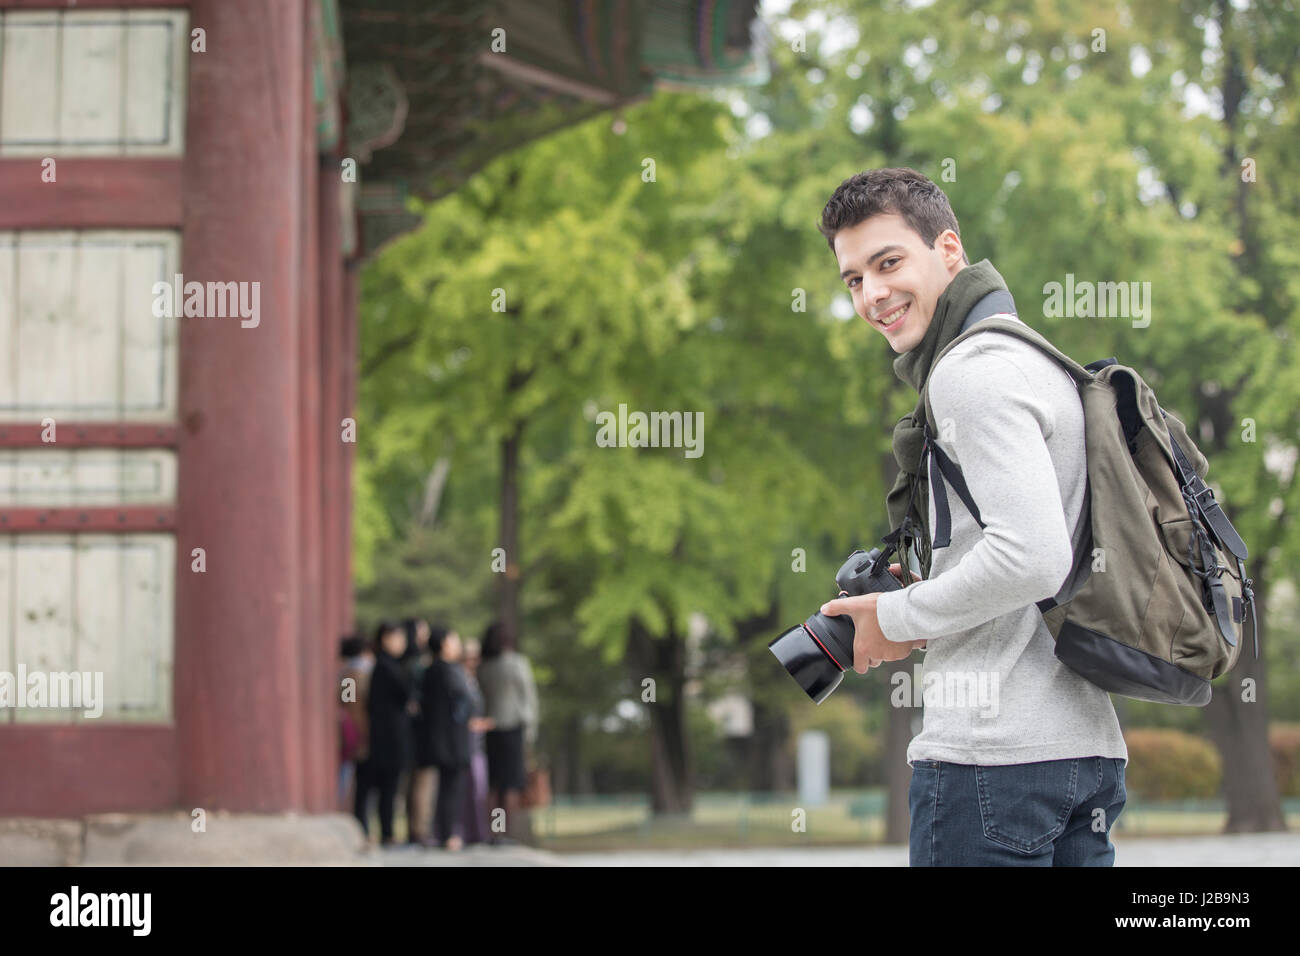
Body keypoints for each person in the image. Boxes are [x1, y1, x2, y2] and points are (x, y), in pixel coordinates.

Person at [816, 168, 1127, 866]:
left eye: (888, 262)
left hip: (991, 762)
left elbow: (1032, 556)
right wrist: (931, 590)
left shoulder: (970, 371)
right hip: (1083, 753)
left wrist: (891, 618)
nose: (873, 294)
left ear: (949, 251)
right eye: (853, 280)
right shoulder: (1039, 359)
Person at [476, 621, 538, 844]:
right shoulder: (517, 663)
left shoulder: (484, 667)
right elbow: (528, 698)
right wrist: (531, 729)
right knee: (510, 785)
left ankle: (494, 832)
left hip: (490, 730)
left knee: (494, 785)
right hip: (512, 728)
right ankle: (504, 833)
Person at [360, 620, 413, 845]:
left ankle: (383, 831)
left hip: (385, 734)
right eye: (398, 638)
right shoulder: (381, 667)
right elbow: (351, 701)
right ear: (385, 639)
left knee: (383, 787)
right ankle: (384, 832)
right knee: (383, 787)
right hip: (386, 736)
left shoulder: (385, 665)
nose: (402, 643)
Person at [421, 628, 474, 850]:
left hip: (440, 737)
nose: (458, 643)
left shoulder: (430, 670)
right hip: (452, 738)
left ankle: (444, 832)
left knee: (445, 786)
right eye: (454, 639)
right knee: (451, 786)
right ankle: (448, 833)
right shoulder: (449, 670)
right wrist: (465, 717)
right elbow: (463, 701)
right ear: (444, 644)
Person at [401, 617, 436, 846]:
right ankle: (419, 830)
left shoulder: (405, 661)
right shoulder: (418, 664)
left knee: (413, 782)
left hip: (409, 730)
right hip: (420, 730)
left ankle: (415, 829)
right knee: (422, 781)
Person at [459, 637, 494, 844]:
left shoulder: (475, 680)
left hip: (478, 742)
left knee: (479, 789)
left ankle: (479, 832)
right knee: (469, 788)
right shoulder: (459, 679)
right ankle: (466, 832)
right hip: (466, 740)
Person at [338, 634, 373, 811]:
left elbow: (347, 702)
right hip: (358, 729)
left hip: (356, 728)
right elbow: (349, 703)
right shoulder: (352, 675)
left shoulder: (348, 674)